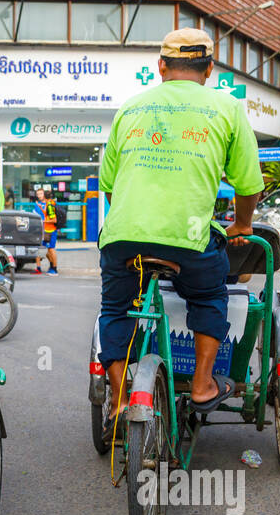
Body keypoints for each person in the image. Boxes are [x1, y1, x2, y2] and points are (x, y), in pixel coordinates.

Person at [97, 28, 263, 437]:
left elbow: (110, 185)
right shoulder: (226, 107)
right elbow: (249, 186)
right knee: (208, 295)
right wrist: (242, 223)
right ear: (209, 69)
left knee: (116, 309)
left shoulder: (131, 107)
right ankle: (204, 383)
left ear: (161, 68)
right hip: (189, 237)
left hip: (122, 237)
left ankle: (119, 401)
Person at [39, 188, 60, 274]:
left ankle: (54, 269)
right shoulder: (49, 203)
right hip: (47, 230)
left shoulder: (50, 205)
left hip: (51, 231)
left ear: (44, 196)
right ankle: (52, 265)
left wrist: (44, 221)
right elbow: (47, 214)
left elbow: (54, 220)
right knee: (45, 250)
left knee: (51, 249)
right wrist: (41, 209)